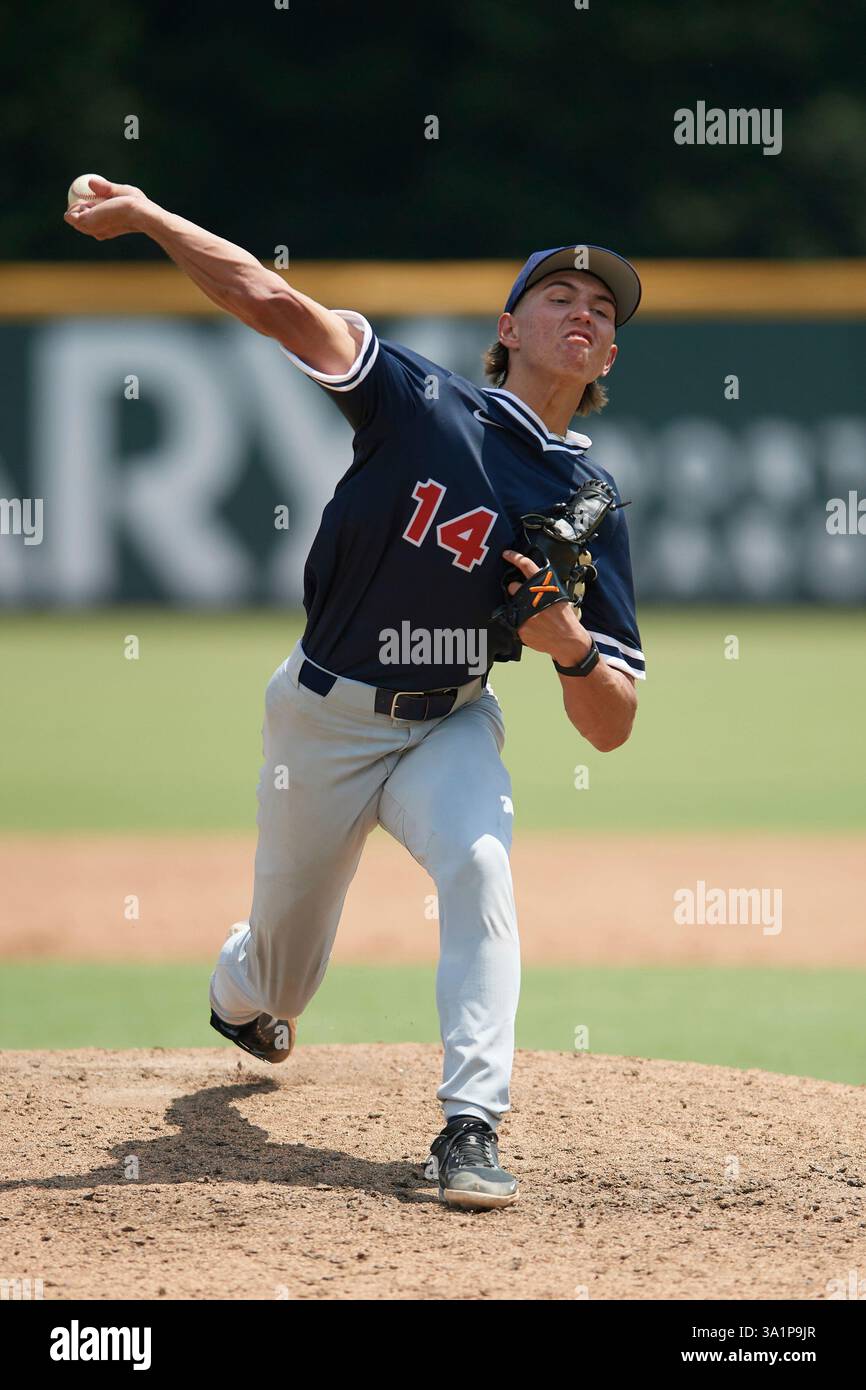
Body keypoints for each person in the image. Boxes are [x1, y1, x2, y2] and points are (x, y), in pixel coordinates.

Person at [66, 178, 645, 1209]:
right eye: (560, 295)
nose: (585, 311)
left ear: (606, 357)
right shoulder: (422, 401)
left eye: (602, 310)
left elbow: (612, 725)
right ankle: (242, 991)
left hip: (450, 722)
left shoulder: (589, 506)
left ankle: (469, 1127)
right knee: (280, 983)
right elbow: (266, 298)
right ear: (506, 328)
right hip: (321, 719)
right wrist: (153, 218)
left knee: (479, 868)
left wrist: (566, 648)